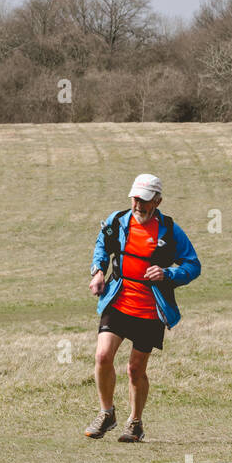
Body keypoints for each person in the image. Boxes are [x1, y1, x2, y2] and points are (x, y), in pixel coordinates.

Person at [84, 173, 201, 442]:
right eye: (136, 198)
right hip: (119, 301)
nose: (139, 205)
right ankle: (107, 413)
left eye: (145, 200)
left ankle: (135, 423)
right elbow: (102, 245)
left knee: (135, 369)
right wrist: (98, 271)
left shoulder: (170, 230)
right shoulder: (117, 221)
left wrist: (168, 274)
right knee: (102, 356)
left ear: (157, 201)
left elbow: (193, 265)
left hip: (150, 310)